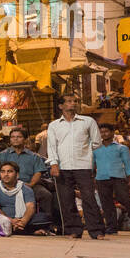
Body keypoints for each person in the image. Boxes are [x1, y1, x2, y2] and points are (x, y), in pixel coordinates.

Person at [46, 92, 107, 239]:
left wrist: (88, 156)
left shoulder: (88, 121)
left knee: (89, 198)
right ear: (61, 106)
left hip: (83, 165)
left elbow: (97, 142)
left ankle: (97, 231)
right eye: (68, 101)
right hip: (63, 166)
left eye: (74, 101)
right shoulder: (54, 125)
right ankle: (74, 230)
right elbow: (52, 146)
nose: (73, 103)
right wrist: (54, 163)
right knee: (66, 199)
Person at [92, 123, 130, 235]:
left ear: (112, 133)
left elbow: (129, 165)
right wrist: (93, 179)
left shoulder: (122, 148)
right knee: (106, 203)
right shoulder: (95, 149)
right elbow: (92, 165)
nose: (104, 134)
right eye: (101, 132)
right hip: (101, 178)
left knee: (125, 199)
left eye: (106, 131)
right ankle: (112, 227)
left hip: (118, 178)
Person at [0, 161, 52, 235]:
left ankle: (19, 228)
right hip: (4, 219)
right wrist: (11, 220)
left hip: (23, 219)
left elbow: (30, 207)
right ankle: (28, 231)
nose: (6, 174)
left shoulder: (25, 188)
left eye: (9, 171)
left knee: (43, 217)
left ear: (17, 175)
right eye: (3, 172)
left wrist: (23, 222)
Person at [0, 128, 52, 216]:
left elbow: (38, 173)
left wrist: (30, 185)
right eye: (13, 137)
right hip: (7, 185)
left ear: (25, 139)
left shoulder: (34, 156)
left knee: (45, 195)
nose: (15, 139)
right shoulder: (2, 155)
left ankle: (45, 223)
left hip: (29, 184)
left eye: (19, 137)